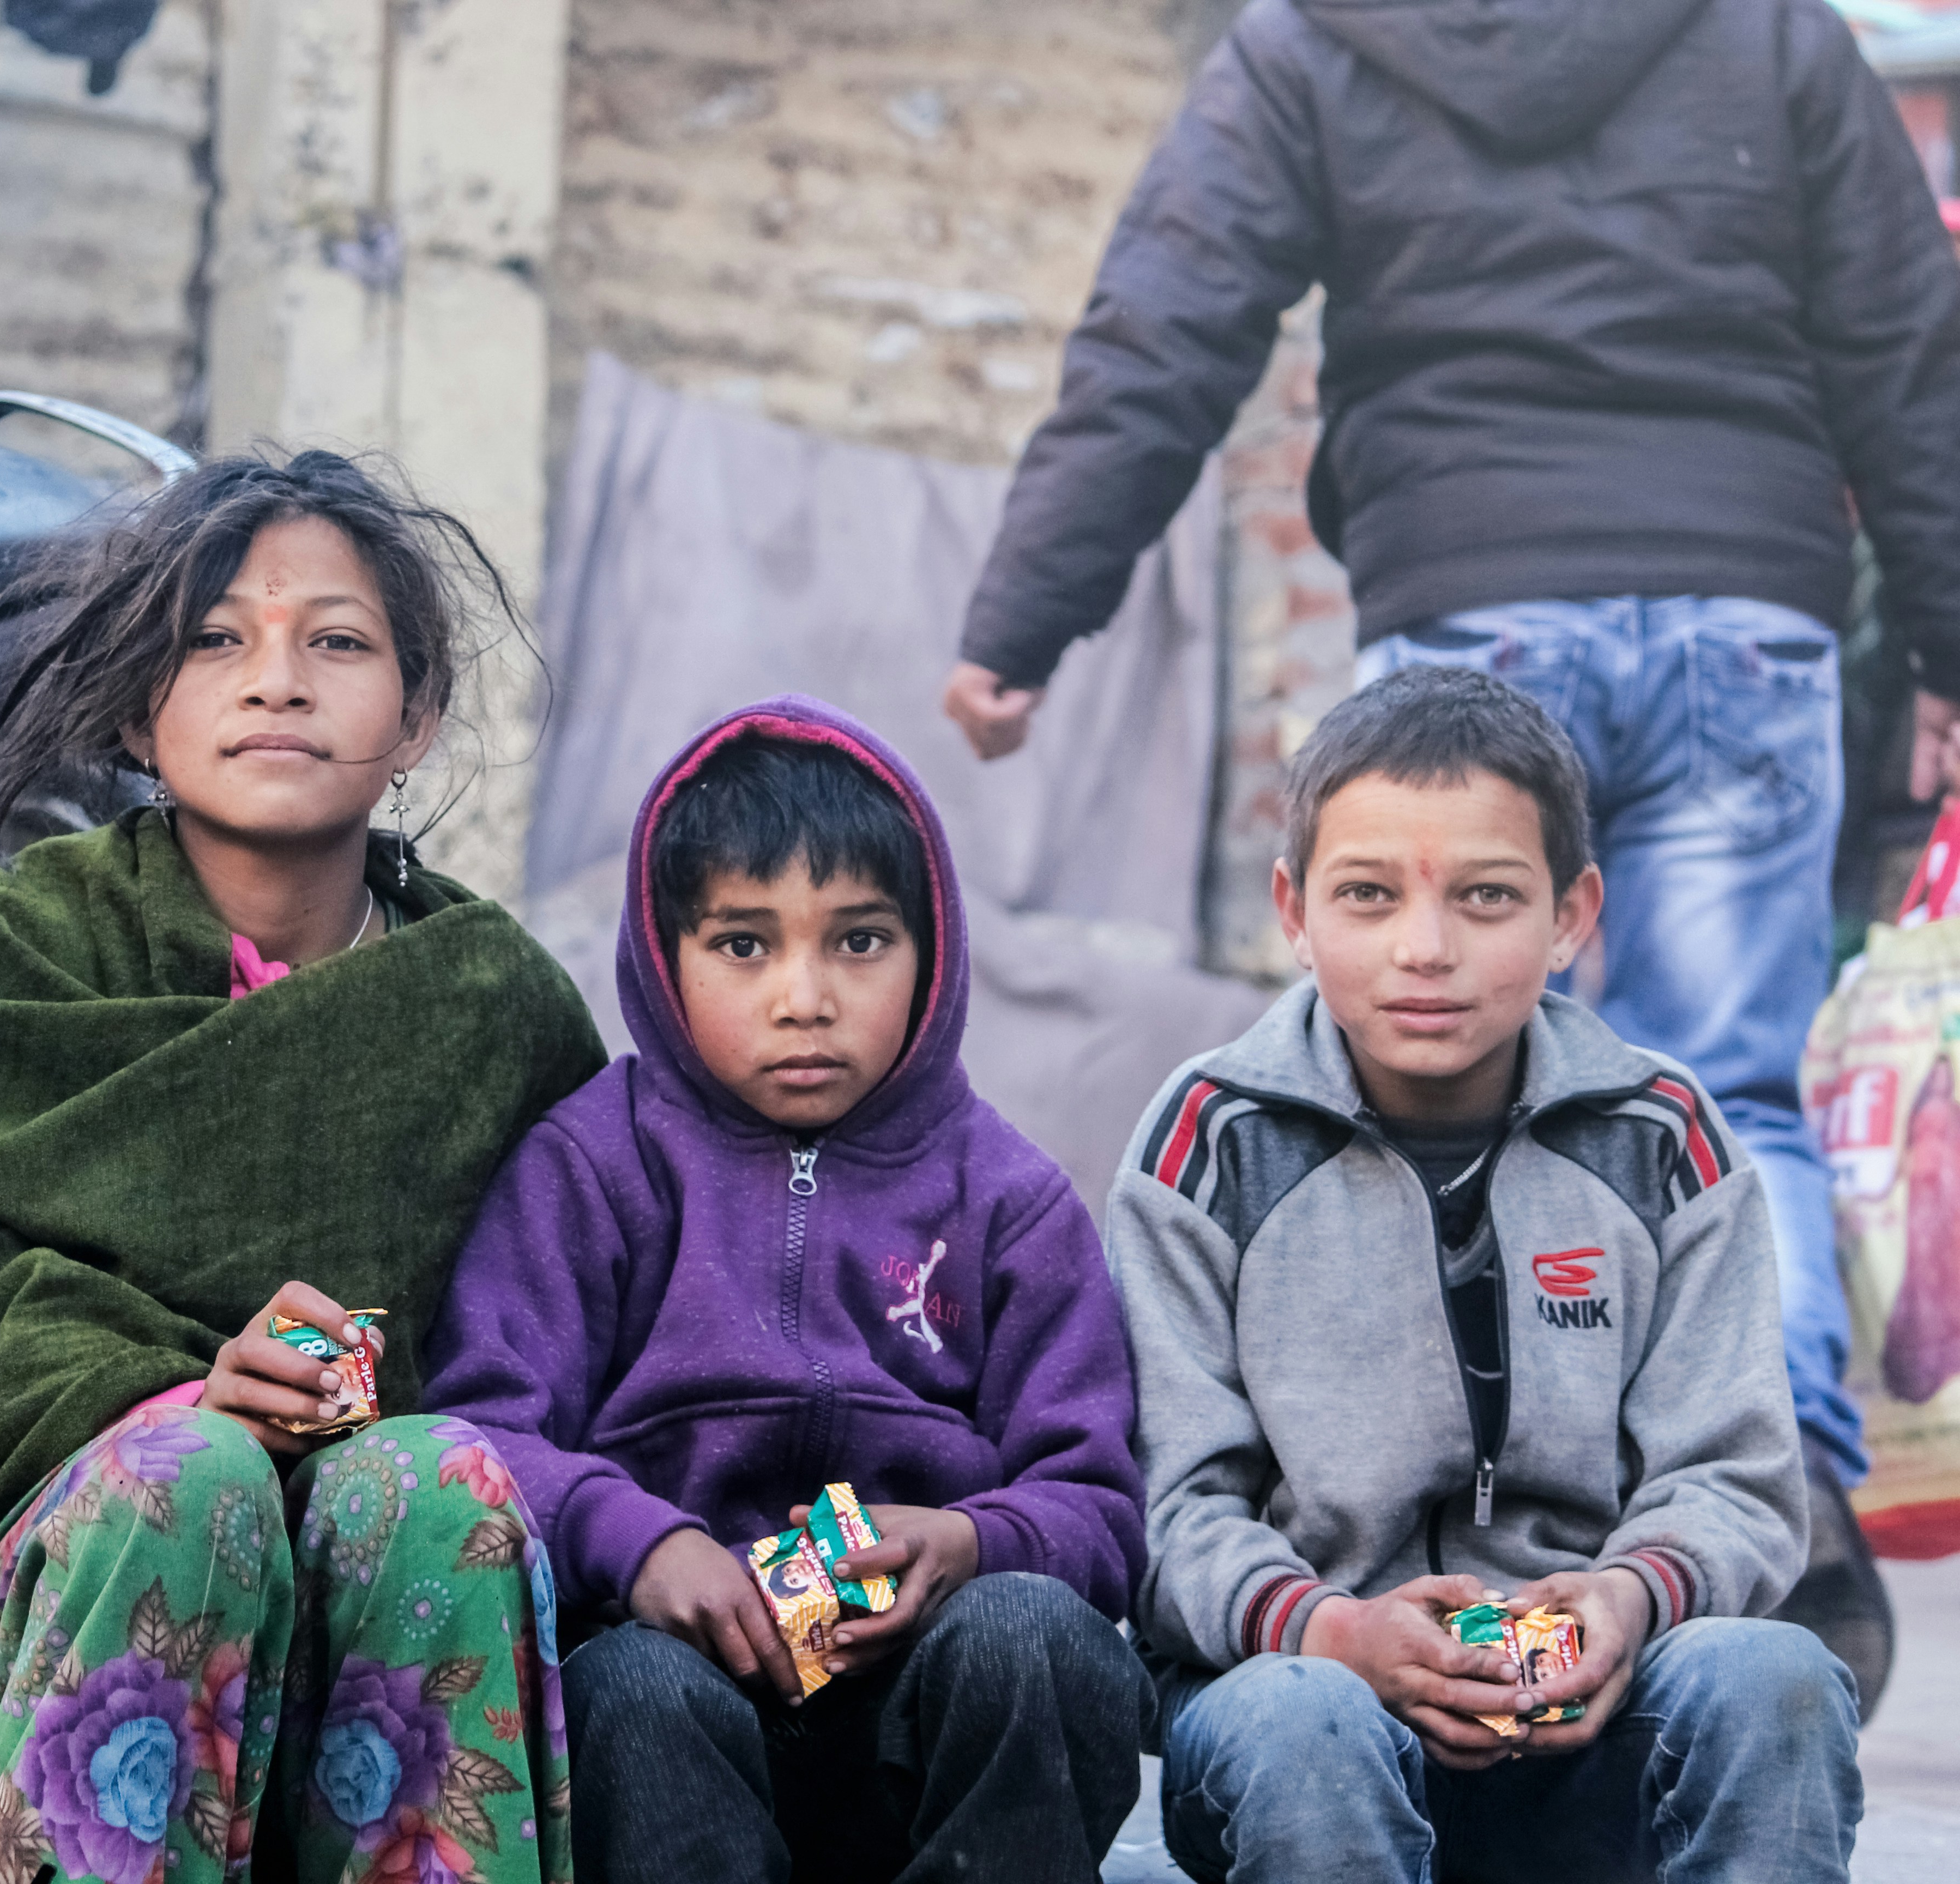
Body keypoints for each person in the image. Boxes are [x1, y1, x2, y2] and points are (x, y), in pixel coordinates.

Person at [939, 0, 1960, 1675]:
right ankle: (1790, 1528)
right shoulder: (1767, 31)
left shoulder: (1315, 43)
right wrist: (1944, 646)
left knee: (1432, 1092)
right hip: (1742, 610)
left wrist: (1022, 623)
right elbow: (1906, 341)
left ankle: (1469, 1538)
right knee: (1735, 1094)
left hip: (1469, 595)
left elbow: (1169, 323)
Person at [0, 451, 610, 1882]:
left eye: (336, 642)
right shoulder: (7, 963)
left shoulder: (497, 1011)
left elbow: (558, 1349)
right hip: (42, 1608)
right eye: (216, 640)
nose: (274, 680)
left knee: (437, 1480)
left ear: (415, 718)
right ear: (133, 705)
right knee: (197, 1477)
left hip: (372, 1622)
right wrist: (178, 1396)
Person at [1112, 666, 1858, 1883]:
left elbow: (1734, 1473)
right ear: (1294, 911)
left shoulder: (1663, 1135)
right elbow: (1164, 1503)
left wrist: (1623, 1606)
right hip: (1299, 1704)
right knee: (1304, 1722)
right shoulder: (1208, 1140)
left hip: (1596, 1705)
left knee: (1774, 1677)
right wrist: (1329, 1630)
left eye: (1487, 897)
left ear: (1572, 916)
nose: (1426, 947)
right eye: (1368, 895)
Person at [425, 698, 1150, 1884]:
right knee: (624, 1688)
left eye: (859, 940)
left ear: (934, 952)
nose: (803, 998)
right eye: (744, 944)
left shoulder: (1008, 1198)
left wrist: (972, 1542)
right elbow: (485, 1438)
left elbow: (1103, 1503)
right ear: (666, 955)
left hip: (925, 1719)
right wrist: (643, 1546)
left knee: (1038, 1640)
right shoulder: (594, 1165)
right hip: (681, 1700)